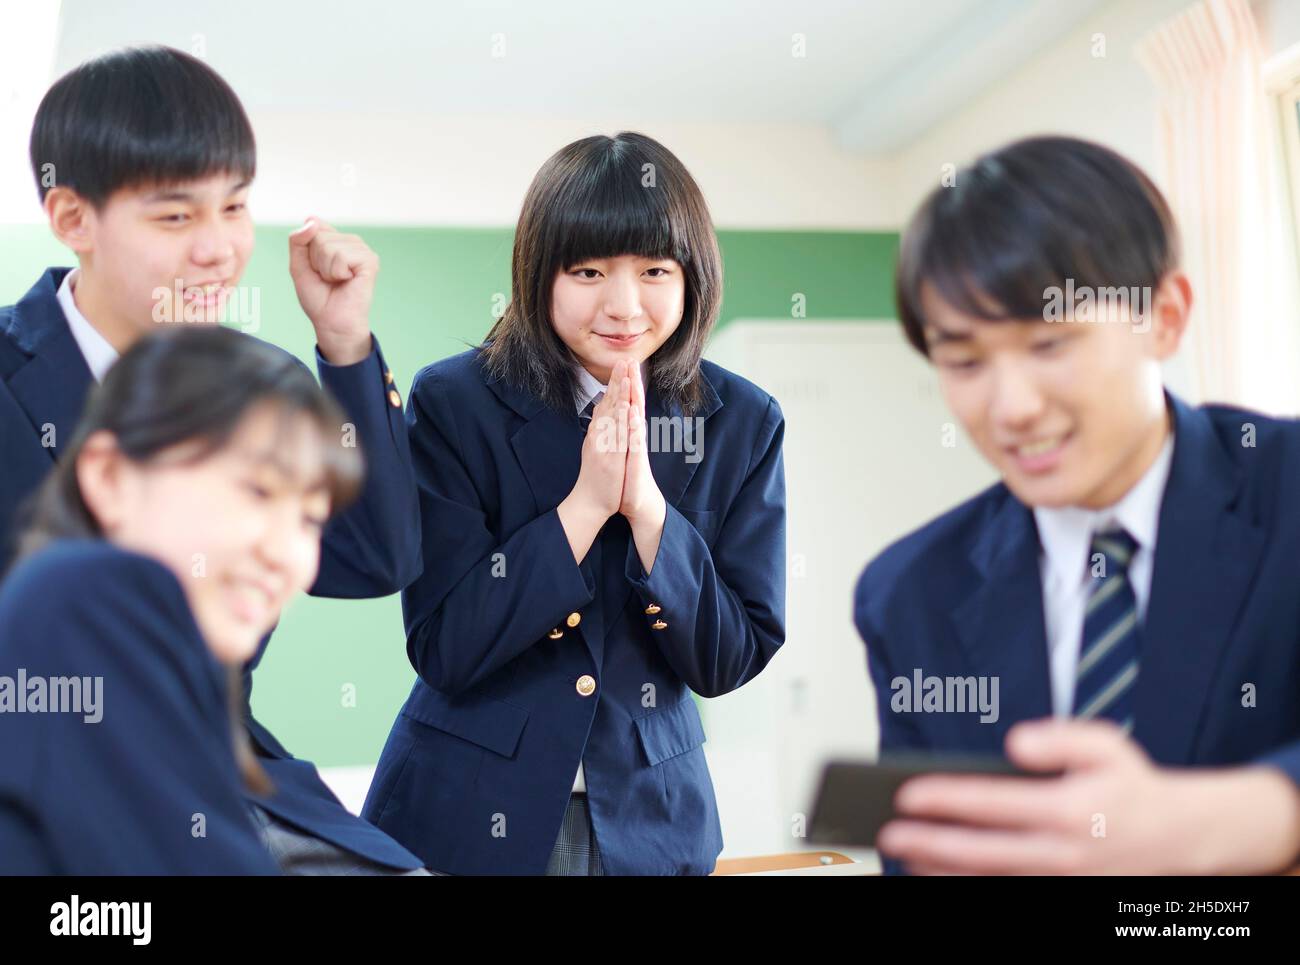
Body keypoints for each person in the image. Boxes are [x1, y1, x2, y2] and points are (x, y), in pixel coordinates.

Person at [0, 45, 426, 874]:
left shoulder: (256, 382)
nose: (219, 249)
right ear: (72, 217)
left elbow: (378, 554)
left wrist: (343, 345)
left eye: (233, 208)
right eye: (175, 217)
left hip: (225, 783)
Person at [855, 135, 1300, 874]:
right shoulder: (909, 593)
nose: (1013, 408)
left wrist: (1258, 816)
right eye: (963, 361)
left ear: (1164, 316)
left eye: (1051, 343)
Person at [363, 132, 787, 874]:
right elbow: (445, 645)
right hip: (466, 812)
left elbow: (732, 655)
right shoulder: (456, 402)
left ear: (693, 278)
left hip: (654, 821)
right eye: (588, 270)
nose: (623, 305)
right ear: (539, 277)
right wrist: (584, 508)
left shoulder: (743, 420)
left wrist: (651, 515)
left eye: (655, 269)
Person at [0, 326, 363, 873]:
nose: (286, 553)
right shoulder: (67, 593)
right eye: (258, 491)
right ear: (110, 477)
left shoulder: (165, 665)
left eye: (310, 520)